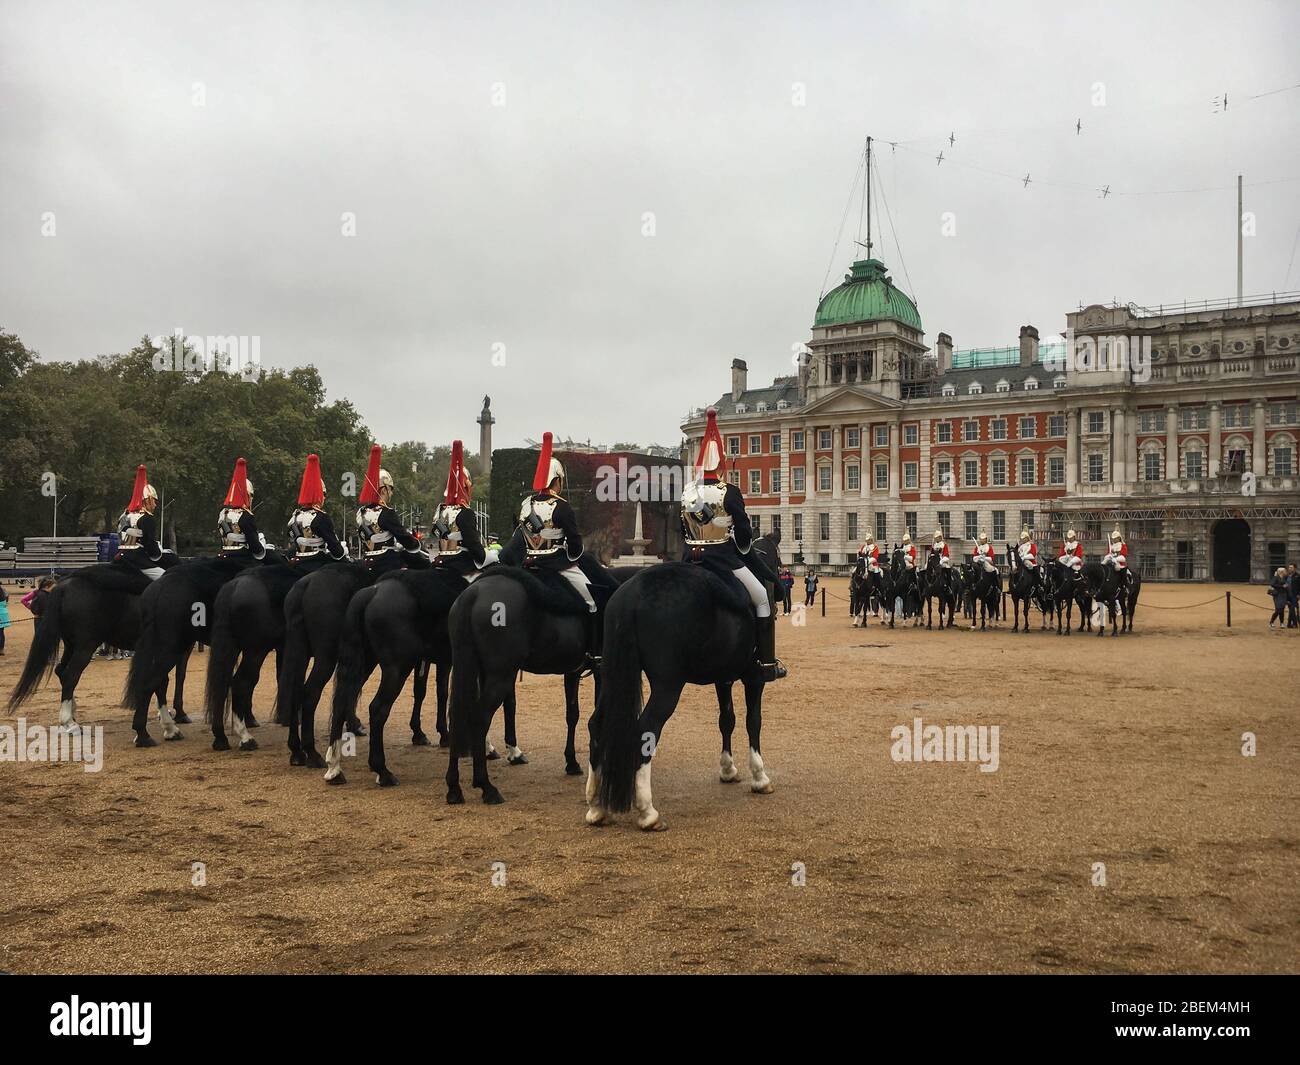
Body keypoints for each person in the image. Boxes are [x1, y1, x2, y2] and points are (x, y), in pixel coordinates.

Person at [679, 410, 785, 681]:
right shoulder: (729, 491)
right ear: (721, 463)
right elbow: (744, 531)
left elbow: (681, 527)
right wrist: (743, 545)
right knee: (762, 598)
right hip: (723, 559)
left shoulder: (688, 492)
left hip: (690, 558)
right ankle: (765, 662)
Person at [519, 431, 602, 664]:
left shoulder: (526, 505)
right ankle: (595, 652)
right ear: (557, 480)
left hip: (528, 562)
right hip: (557, 563)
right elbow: (575, 544)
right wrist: (572, 555)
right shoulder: (562, 507)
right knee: (592, 601)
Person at [356, 444, 428, 575]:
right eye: (390, 489)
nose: (391, 493)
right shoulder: (387, 513)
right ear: (384, 490)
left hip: (367, 560)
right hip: (387, 563)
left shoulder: (361, 512)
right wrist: (416, 544)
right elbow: (405, 539)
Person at [432, 440, 495, 582]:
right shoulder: (466, 512)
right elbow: (472, 543)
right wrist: (487, 558)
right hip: (461, 564)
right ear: (465, 488)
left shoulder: (441, 511)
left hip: (441, 559)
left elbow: (437, 535)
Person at [287, 453, 348, 573]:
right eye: (324, 495)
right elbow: (336, 552)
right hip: (317, 565)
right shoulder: (321, 517)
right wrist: (343, 551)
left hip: (297, 564)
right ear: (320, 495)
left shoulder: (294, 516)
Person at [114, 464, 174, 579]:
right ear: (148, 500)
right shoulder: (147, 519)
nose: (155, 504)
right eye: (154, 501)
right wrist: (159, 553)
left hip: (121, 556)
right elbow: (149, 545)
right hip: (137, 559)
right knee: (165, 578)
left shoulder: (125, 515)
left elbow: (121, 533)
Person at [216, 457, 267, 561]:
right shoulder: (246, 516)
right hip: (242, 559)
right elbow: (256, 549)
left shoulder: (223, 514)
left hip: (224, 555)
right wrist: (261, 542)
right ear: (249, 496)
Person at [1286, 562, 1298, 629]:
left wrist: (1299, 594)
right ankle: (1289, 624)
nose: (1290, 568)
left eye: (1291, 567)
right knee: (1291, 609)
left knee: (1292, 609)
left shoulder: (1298, 576)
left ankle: (1295, 624)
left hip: (1295, 595)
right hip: (1288, 596)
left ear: (1295, 568)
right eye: (1289, 567)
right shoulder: (1287, 576)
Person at [0, 584, 9, 655]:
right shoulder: (3, 590)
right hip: (3, 612)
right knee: (1, 632)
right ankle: (1, 649)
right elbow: (7, 598)